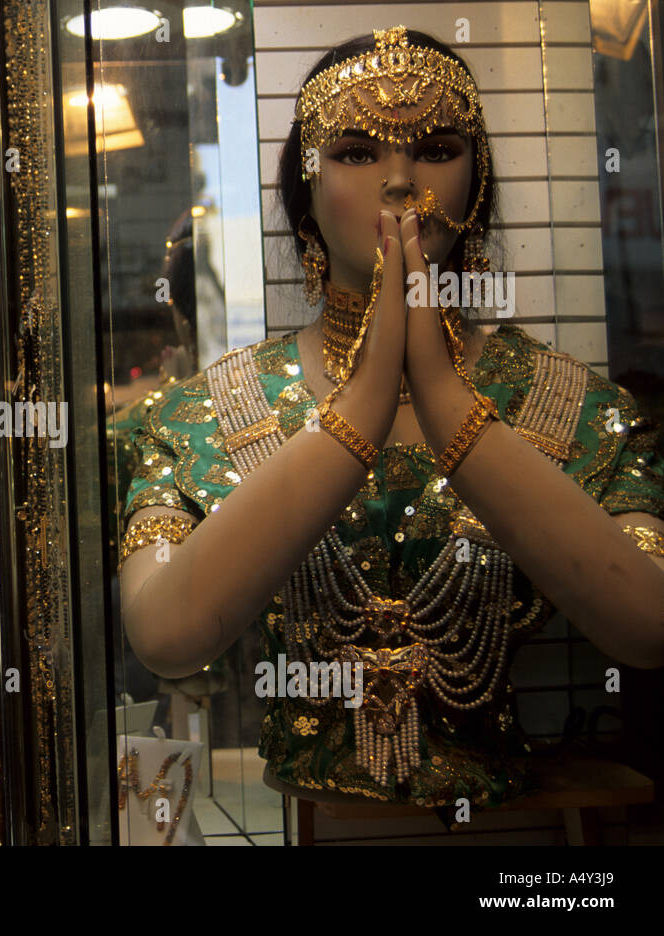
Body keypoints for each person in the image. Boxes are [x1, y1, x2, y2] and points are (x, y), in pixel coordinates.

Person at [118, 26, 664, 808]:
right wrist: (366, 401)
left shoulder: (574, 406)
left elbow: (646, 626)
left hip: (510, 838)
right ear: (304, 187)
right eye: (356, 150)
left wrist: (442, 396)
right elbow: (166, 635)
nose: (402, 181)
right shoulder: (208, 412)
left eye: (437, 147)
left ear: (477, 182)